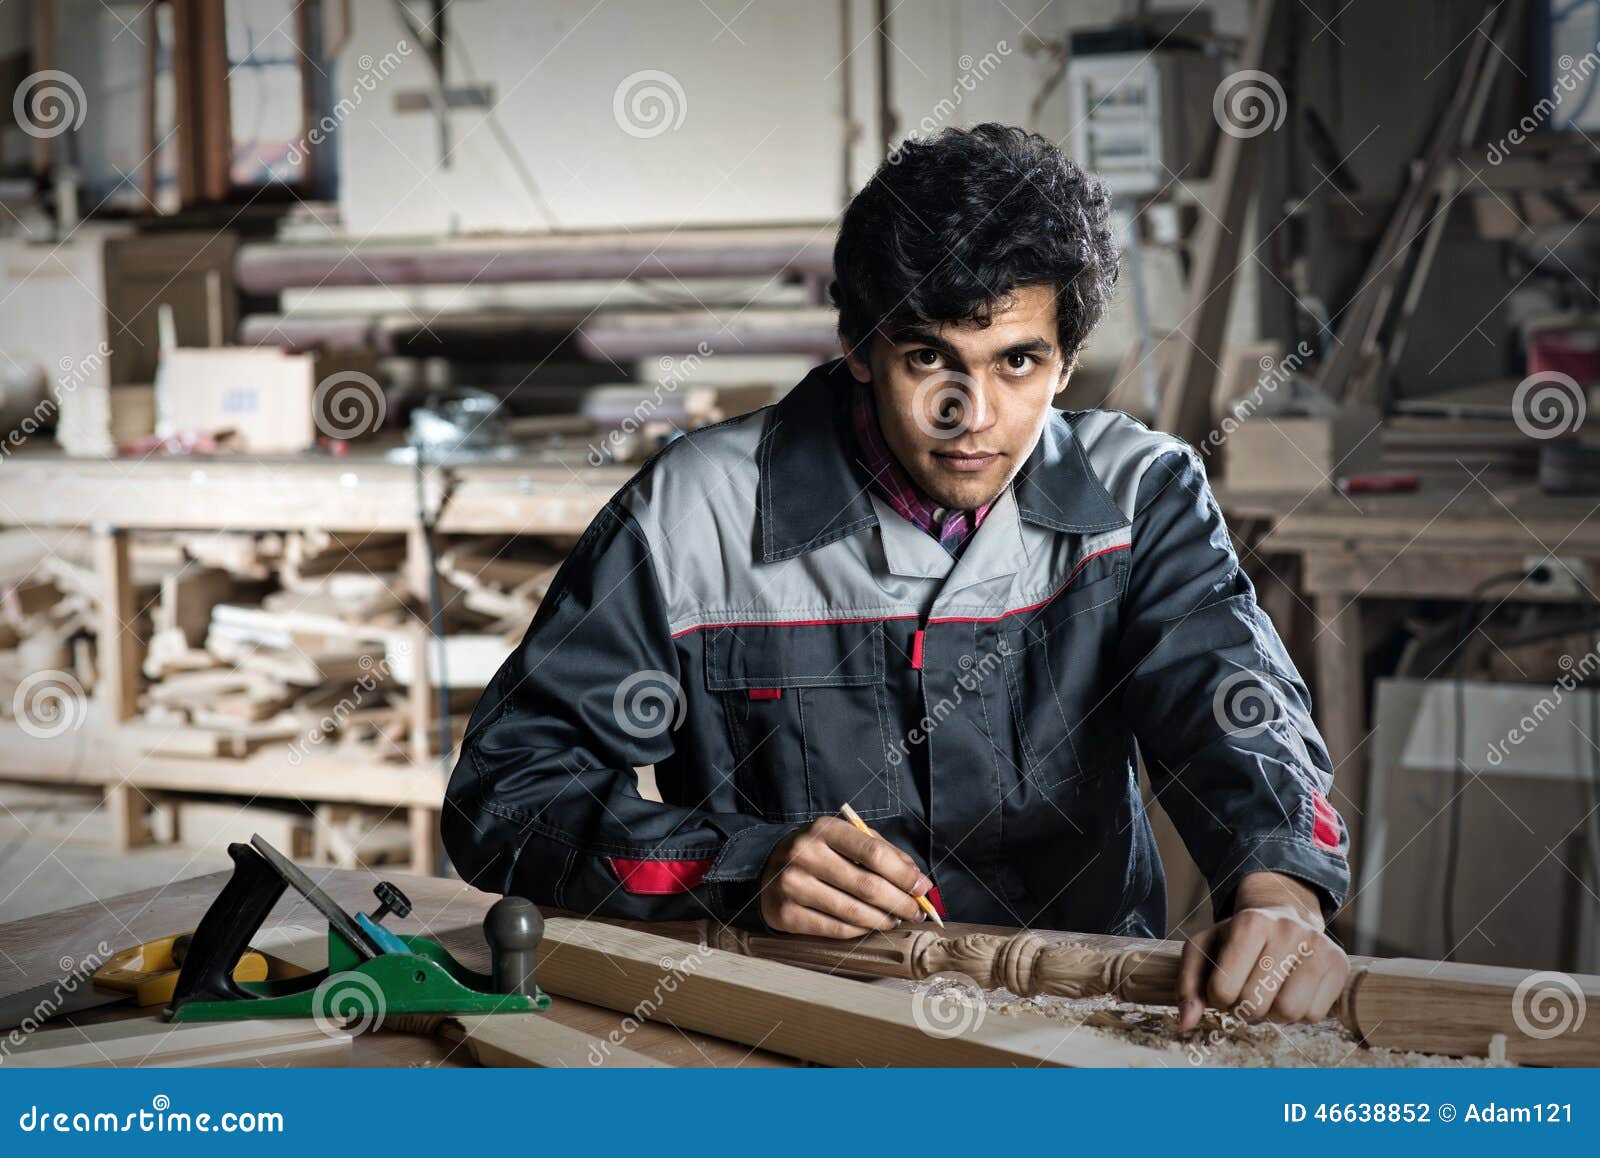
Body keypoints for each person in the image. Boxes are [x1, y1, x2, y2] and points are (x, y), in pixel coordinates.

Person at [444, 124, 1351, 1026]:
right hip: (791, 1040)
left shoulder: (1140, 494)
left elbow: (1228, 704)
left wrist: (1282, 892)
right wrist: (739, 865)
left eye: (1018, 363)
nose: (972, 415)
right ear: (858, 347)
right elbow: (506, 796)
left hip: (1084, 1034)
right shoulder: (695, 513)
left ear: (1066, 360)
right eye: (929, 358)